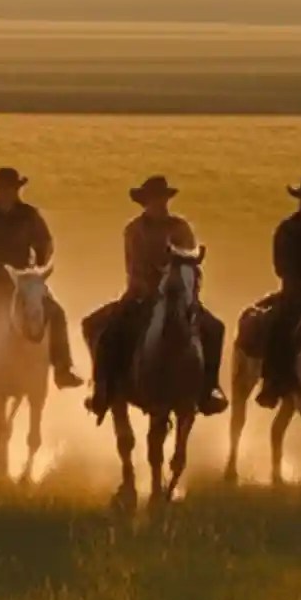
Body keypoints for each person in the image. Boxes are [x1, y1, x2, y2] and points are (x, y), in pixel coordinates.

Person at [82, 176, 228, 421]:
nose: (158, 204)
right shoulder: (134, 230)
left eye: (161, 199)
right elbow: (134, 268)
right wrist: (151, 288)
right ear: (145, 202)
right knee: (103, 330)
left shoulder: (181, 228)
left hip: (178, 296)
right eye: (153, 200)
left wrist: (186, 289)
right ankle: (102, 388)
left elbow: (192, 265)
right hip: (141, 296)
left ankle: (209, 388)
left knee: (215, 328)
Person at [0, 167, 83, 389]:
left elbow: (45, 245)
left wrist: (38, 271)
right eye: (3, 189)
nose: (6, 193)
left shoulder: (30, 216)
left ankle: (62, 367)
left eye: (10, 189)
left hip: (21, 282)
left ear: (17, 190)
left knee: (56, 313)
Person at [254, 177, 301, 407]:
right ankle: (273, 382)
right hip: (295, 293)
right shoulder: (287, 230)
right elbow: (282, 266)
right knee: (279, 324)